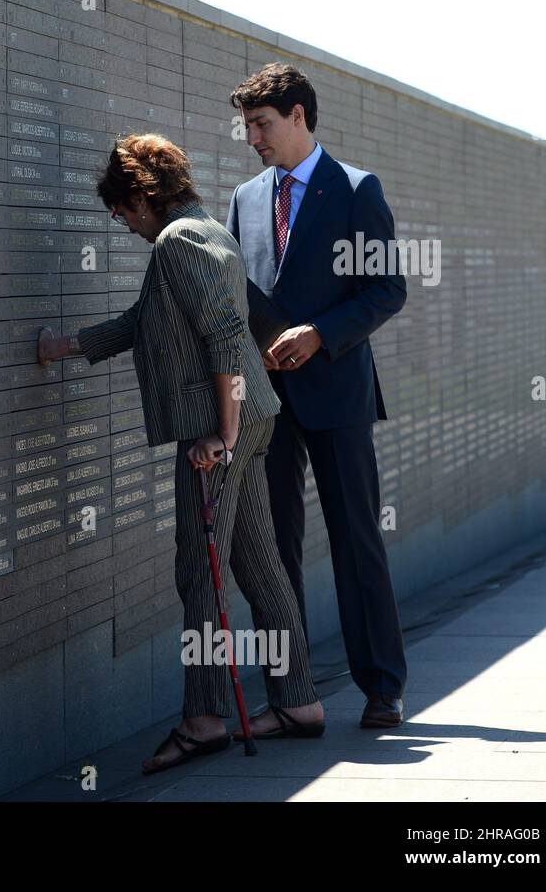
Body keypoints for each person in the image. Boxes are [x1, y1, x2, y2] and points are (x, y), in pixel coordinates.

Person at [38, 133, 324, 774]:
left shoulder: (179, 241)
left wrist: (219, 435)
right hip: (253, 418)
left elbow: (226, 333)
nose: (122, 223)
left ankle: (203, 718)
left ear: (141, 196)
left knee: (202, 572)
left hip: (219, 429)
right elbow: (146, 321)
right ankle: (298, 701)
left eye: (120, 210)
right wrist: (63, 347)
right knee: (257, 568)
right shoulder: (201, 229)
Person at [226, 63, 408, 729]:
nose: (253, 138)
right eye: (248, 126)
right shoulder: (245, 200)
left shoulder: (356, 190)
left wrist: (320, 333)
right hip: (266, 405)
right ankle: (291, 696)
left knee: (358, 540)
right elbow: (235, 297)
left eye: (262, 124)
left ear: (298, 115)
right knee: (273, 555)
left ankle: (382, 685)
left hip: (337, 393)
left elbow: (386, 290)